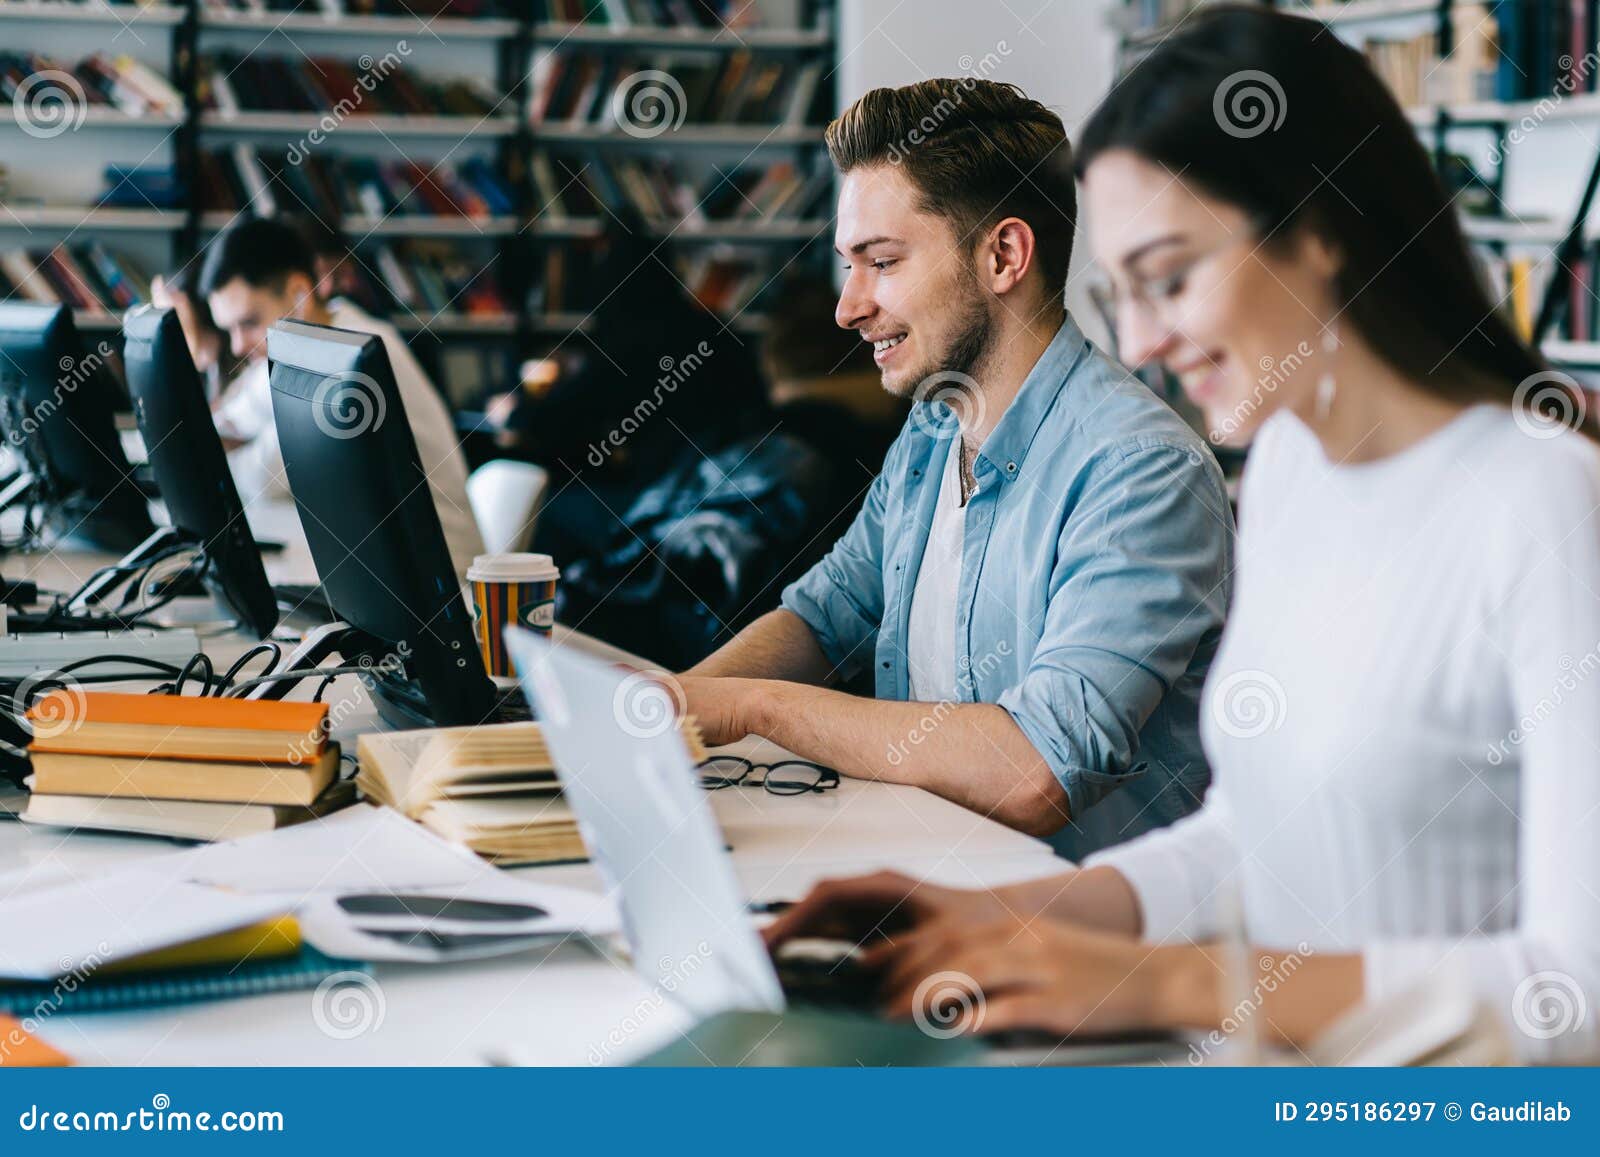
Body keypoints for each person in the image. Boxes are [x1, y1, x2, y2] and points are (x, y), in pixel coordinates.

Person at [763, 5, 1600, 1065]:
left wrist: (1155, 977)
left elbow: (1577, 993)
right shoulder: (1295, 471)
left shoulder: (1542, 501)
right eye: (1125, 293)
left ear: (1318, 232)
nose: (1146, 340)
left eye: (1170, 276)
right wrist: (1010, 917)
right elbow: (1252, 839)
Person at [677, 79, 1235, 858]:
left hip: (1076, 944)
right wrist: (672, 707)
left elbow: (1038, 767)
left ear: (1003, 255)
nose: (848, 307)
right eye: (850, 265)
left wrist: (753, 708)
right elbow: (825, 616)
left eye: (881, 261)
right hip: (924, 886)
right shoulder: (934, 429)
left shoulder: (1142, 472)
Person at [556, 274, 905, 670]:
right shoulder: (886, 441)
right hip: (701, 597)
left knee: (559, 512)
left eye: (883, 261)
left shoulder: (791, 444)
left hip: (675, 612)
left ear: (774, 357)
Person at [198, 216, 485, 579]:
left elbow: (259, 481)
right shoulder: (311, 337)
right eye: (229, 330)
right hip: (382, 566)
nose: (238, 345)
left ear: (299, 293)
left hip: (436, 583)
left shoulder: (347, 357)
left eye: (249, 322)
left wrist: (221, 443)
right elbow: (230, 417)